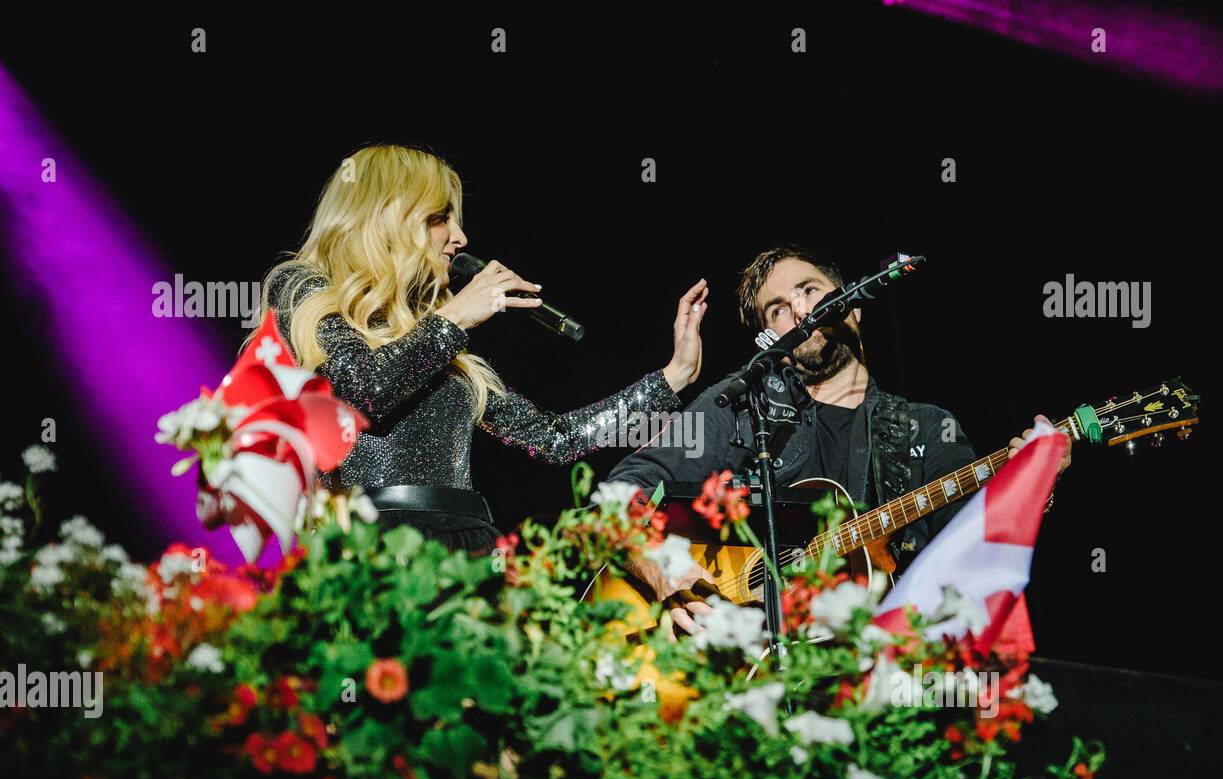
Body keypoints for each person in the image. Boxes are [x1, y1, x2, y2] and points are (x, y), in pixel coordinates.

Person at [248, 144, 708, 555]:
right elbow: (365, 391)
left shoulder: (440, 344)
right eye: (439, 218)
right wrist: (456, 318)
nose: (460, 237)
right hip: (370, 546)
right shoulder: (304, 287)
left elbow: (554, 439)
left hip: (467, 545)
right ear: (387, 217)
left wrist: (673, 376)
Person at [606, 244, 1069, 631]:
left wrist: (1030, 488)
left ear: (853, 304)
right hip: (739, 681)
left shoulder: (926, 428)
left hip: (875, 682)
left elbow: (975, 566)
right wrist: (663, 572)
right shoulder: (739, 407)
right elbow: (615, 498)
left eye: (809, 291)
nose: (803, 310)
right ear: (771, 341)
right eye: (779, 309)